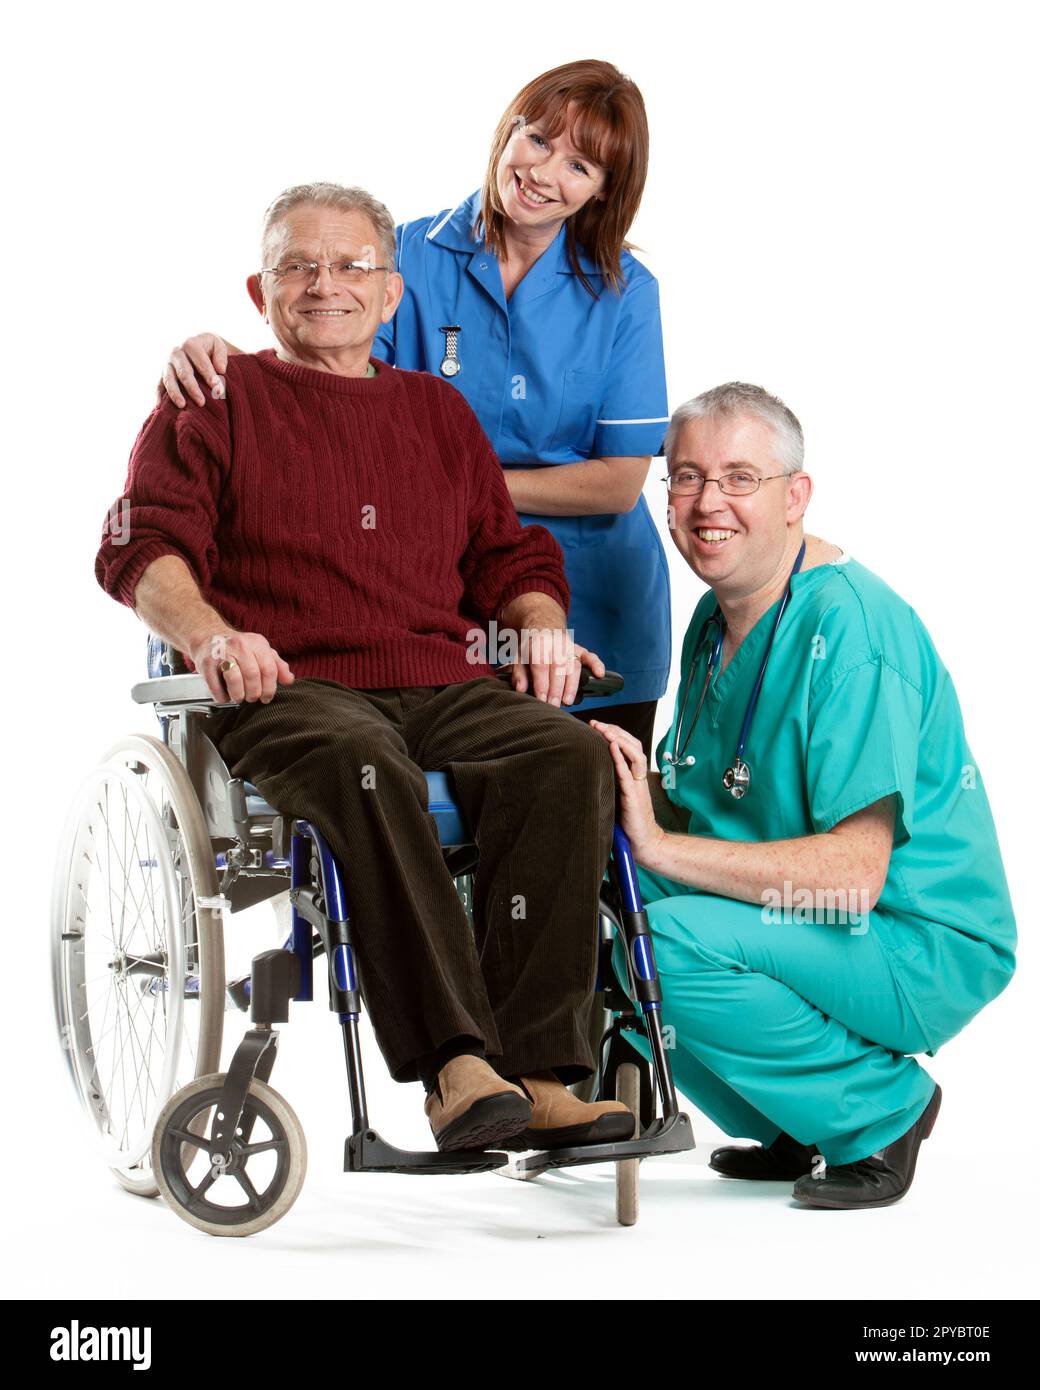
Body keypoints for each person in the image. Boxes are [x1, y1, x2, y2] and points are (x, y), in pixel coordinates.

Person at [95, 182, 636, 1156]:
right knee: (361, 759)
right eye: (297, 265)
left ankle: (545, 1073)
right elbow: (142, 549)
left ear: (391, 295)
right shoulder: (213, 400)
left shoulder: (436, 413)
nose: (324, 285)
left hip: (445, 680)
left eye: (351, 266)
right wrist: (215, 634)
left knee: (564, 754)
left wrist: (540, 624)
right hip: (288, 687)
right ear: (258, 291)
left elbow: (506, 559)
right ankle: (455, 1069)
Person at [159, 59, 670, 762]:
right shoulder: (414, 257)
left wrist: (454, 488)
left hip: (591, 588)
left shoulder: (626, 290)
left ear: (604, 192)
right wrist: (225, 355)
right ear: (508, 132)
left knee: (584, 793)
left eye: (581, 166)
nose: (546, 172)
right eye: (539, 140)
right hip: (421, 599)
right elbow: (336, 379)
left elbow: (617, 479)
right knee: (409, 787)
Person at [589, 382, 1016, 1209]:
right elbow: (708, 800)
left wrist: (662, 848)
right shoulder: (718, 620)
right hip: (805, 919)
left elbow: (854, 877)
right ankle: (799, 1117)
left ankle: (885, 1112)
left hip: (914, 936)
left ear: (796, 497)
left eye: (739, 478)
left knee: (665, 946)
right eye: (684, 477)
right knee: (602, 904)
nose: (708, 503)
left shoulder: (852, 629)